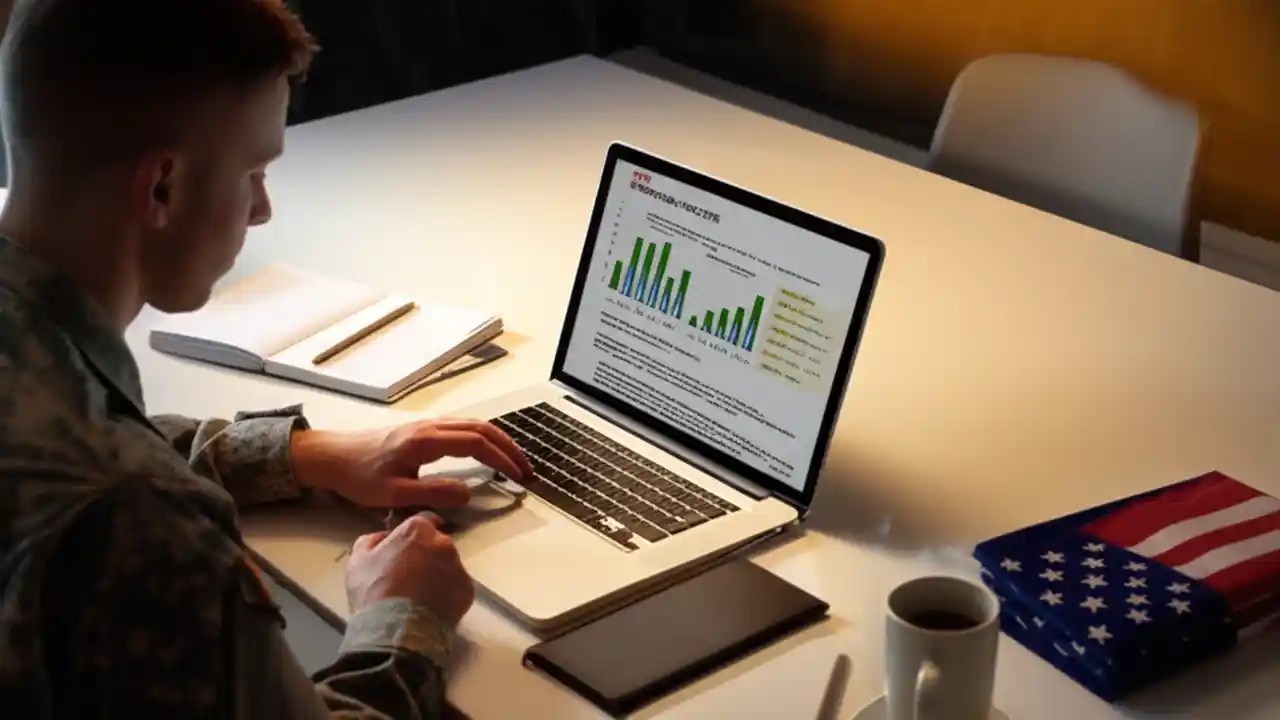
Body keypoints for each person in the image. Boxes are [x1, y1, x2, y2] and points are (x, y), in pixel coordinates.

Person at [0, 1, 533, 717]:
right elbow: (112, 488)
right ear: (162, 186)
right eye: (254, 170)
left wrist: (302, 455)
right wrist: (405, 616)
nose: (261, 210)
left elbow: (63, 440)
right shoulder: (151, 525)